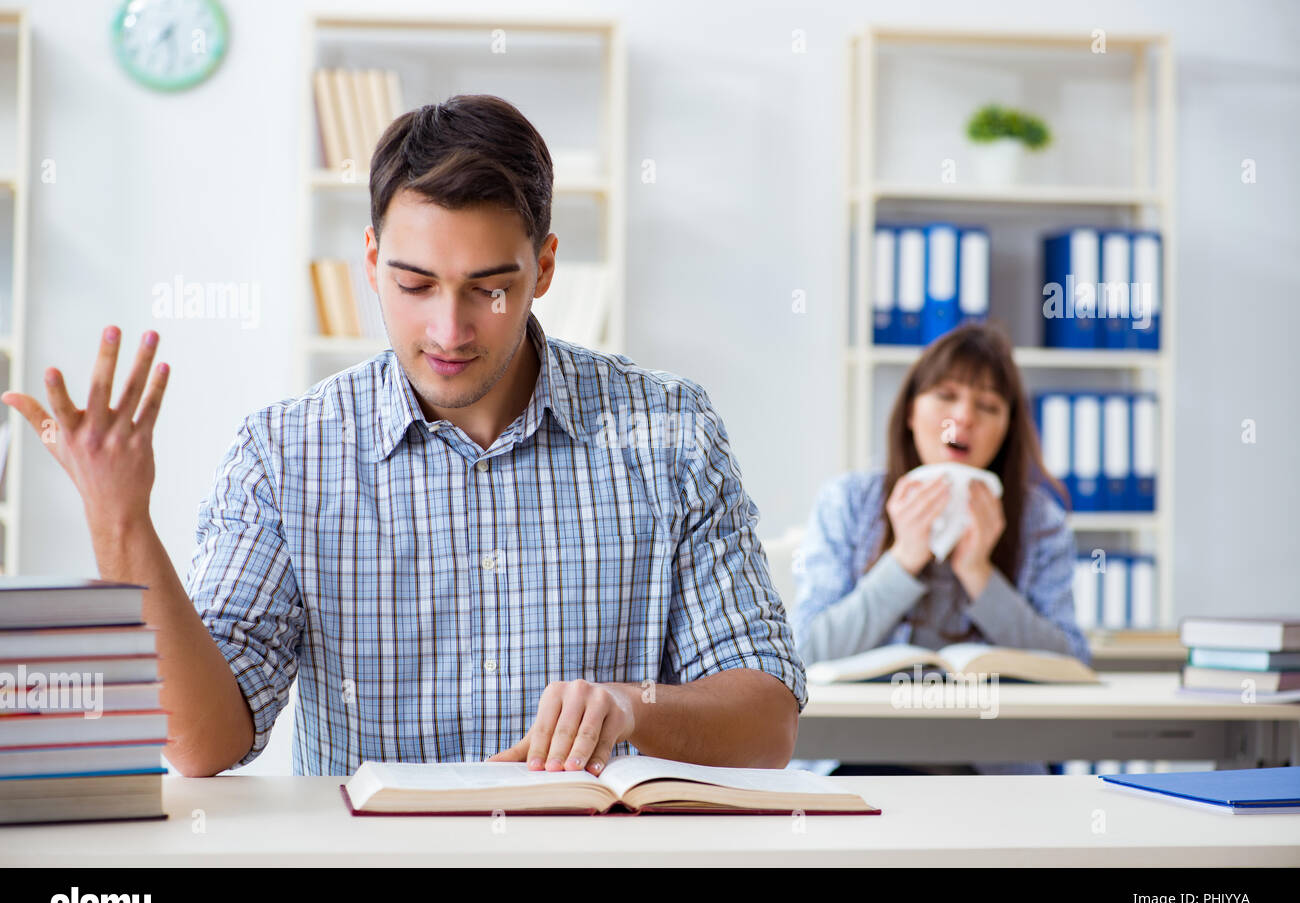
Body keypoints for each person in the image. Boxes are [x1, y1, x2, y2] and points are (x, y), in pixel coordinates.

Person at [2, 94, 804, 777]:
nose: (448, 329)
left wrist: (632, 707)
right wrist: (120, 517)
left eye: (489, 289)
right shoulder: (286, 454)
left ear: (547, 268)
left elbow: (768, 721)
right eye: (414, 284)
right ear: (371, 259)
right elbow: (204, 742)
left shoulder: (668, 431)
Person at [791, 321, 1088, 775]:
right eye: (946, 396)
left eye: (988, 405)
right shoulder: (849, 501)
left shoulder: (1038, 519)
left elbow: (1070, 663)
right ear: (911, 412)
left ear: (1007, 429)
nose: (965, 416)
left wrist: (978, 573)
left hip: (991, 766)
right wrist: (904, 560)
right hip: (861, 757)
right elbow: (807, 651)